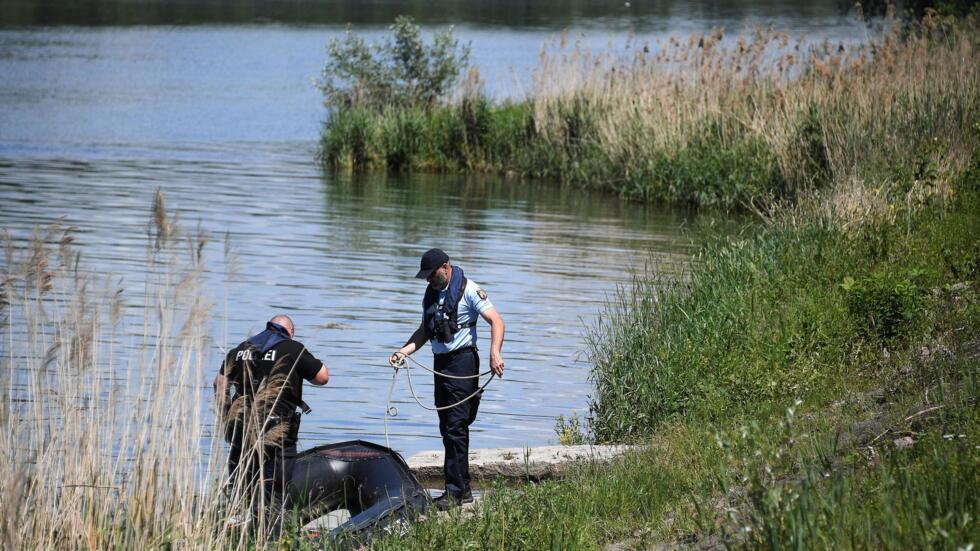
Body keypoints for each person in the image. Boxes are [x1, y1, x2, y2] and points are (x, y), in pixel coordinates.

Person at [389, 248, 505, 510]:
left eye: (432, 275)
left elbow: (497, 321)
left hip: (463, 363)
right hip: (440, 364)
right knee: (448, 428)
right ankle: (463, 489)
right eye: (426, 277)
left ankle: (454, 492)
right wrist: (403, 352)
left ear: (445, 267)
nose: (429, 280)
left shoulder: (470, 290)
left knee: (455, 427)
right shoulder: (431, 293)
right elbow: (424, 331)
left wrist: (494, 352)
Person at [214, 314, 329, 534]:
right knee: (275, 490)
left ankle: (237, 535)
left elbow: (219, 384)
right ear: (291, 332)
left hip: (241, 428)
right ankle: (271, 537)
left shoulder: (240, 349)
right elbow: (322, 377)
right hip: (277, 431)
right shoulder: (293, 348)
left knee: (241, 486)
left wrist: (227, 416)